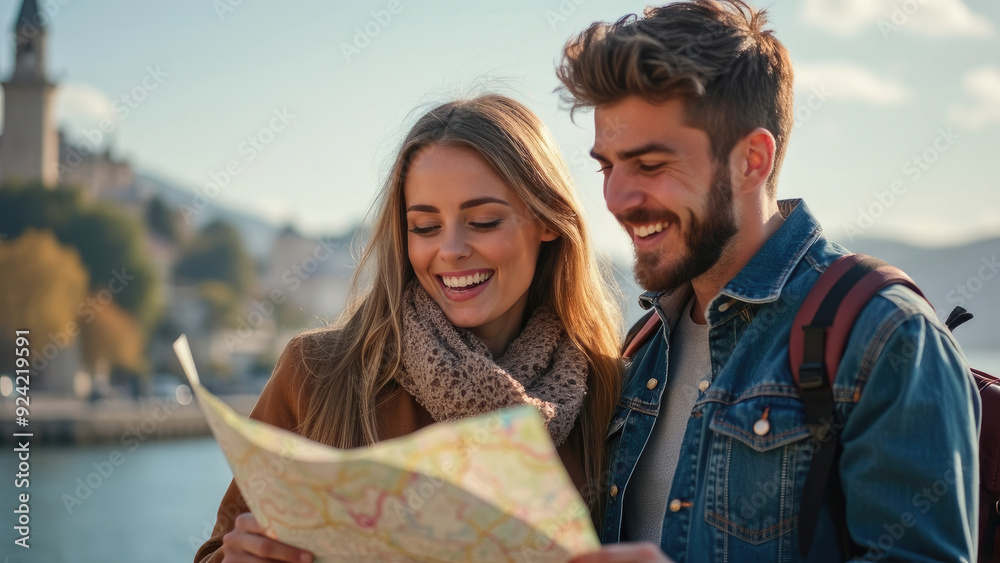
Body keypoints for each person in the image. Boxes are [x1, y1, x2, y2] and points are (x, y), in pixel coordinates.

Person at [555, 1, 981, 562]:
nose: (617, 199)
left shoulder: (885, 336)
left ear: (751, 160)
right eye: (607, 166)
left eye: (651, 165)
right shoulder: (642, 350)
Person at [193, 94, 624, 563]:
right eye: (424, 226)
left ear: (547, 220)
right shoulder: (315, 376)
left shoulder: (608, 391)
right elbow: (221, 546)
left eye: (483, 221)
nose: (451, 249)